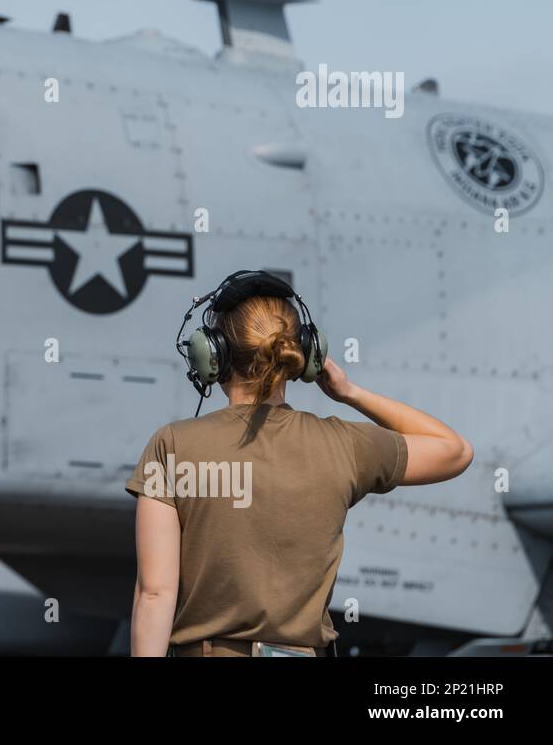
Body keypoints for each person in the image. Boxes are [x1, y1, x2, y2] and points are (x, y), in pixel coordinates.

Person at [126, 271, 473, 657]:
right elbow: (454, 450)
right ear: (306, 355)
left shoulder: (171, 446)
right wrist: (350, 392)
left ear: (215, 355)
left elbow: (155, 594)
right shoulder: (345, 445)